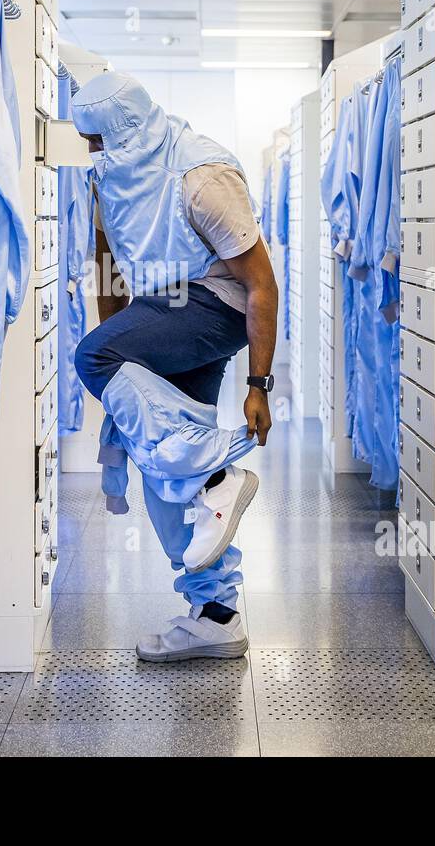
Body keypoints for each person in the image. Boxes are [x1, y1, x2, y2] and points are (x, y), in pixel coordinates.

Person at [71, 72, 279, 661]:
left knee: (91, 355)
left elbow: (261, 285)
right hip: (163, 308)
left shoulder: (202, 176)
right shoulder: (114, 177)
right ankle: (216, 613)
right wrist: (121, 342)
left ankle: (215, 473)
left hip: (216, 306)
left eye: (94, 138)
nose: (89, 151)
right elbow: (109, 266)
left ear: (124, 130)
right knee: (157, 462)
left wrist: (258, 385)